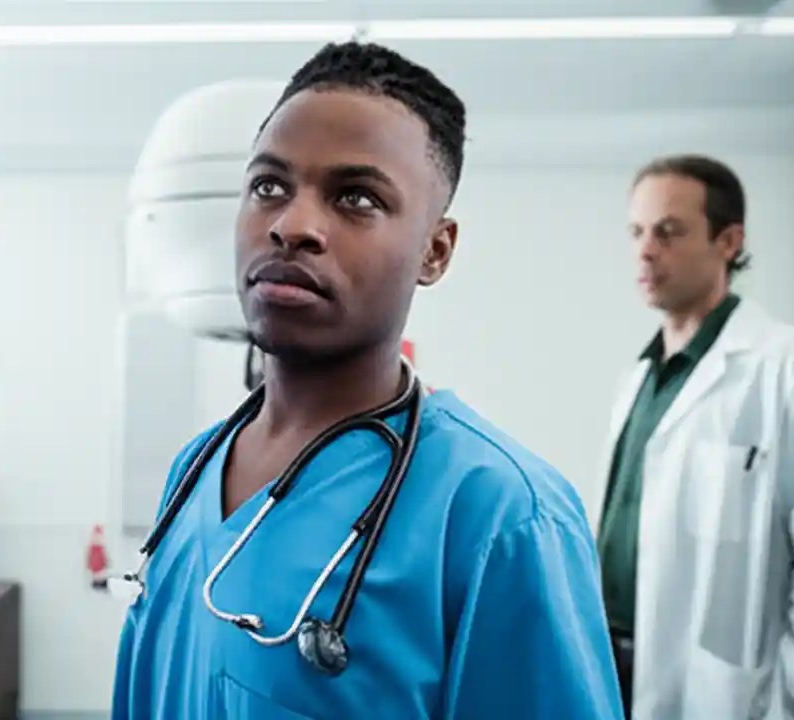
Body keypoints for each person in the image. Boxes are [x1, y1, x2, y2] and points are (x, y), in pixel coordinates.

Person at [111, 41, 623, 719]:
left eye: (355, 197)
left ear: (434, 251)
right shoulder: (193, 470)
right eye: (269, 186)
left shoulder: (501, 515)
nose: (292, 226)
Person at [597, 154, 794, 719]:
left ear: (729, 240)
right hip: (615, 667)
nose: (645, 250)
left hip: (732, 690)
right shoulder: (639, 378)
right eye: (637, 232)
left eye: (669, 231)